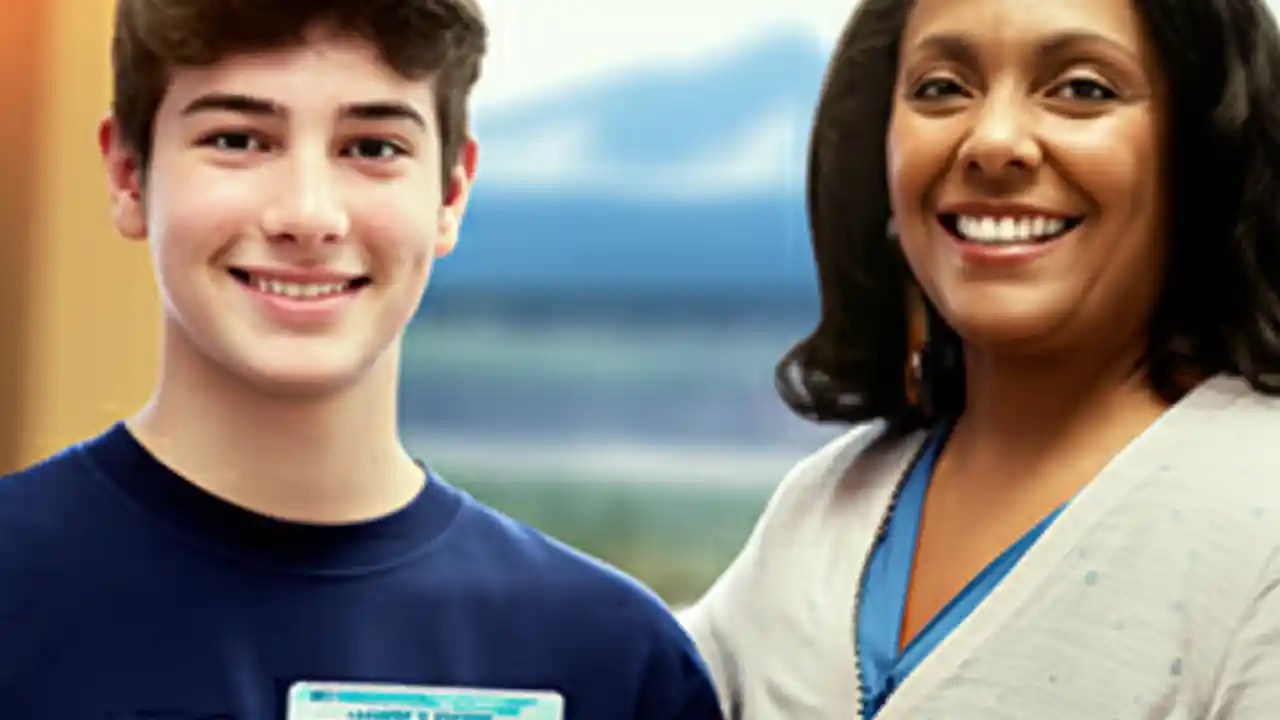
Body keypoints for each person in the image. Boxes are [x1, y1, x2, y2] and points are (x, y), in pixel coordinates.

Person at [0, 2, 722, 718]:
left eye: (372, 148)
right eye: (238, 140)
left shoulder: (609, 661)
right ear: (129, 174)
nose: (309, 216)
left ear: (451, 193)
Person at [680, 0, 1280, 717]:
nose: (992, 141)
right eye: (940, 88)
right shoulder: (825, 504)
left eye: (1082, 88)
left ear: (1208, 146)